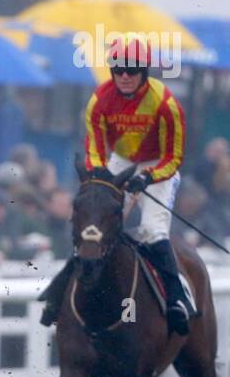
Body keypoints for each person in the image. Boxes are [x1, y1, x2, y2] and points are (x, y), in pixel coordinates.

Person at [38, 36, 190, 335]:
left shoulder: (165, 103)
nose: (124, 76)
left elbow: (174, 157)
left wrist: (148, 177)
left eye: (131, 70)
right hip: (121, 160)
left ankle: (176, 300)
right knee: (94, 224)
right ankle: (57, 295)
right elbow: (95, 147)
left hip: (157, 165)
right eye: (118, 69)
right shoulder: (99, 99)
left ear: (144, 71)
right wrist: (98, 175)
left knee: (151, 230)